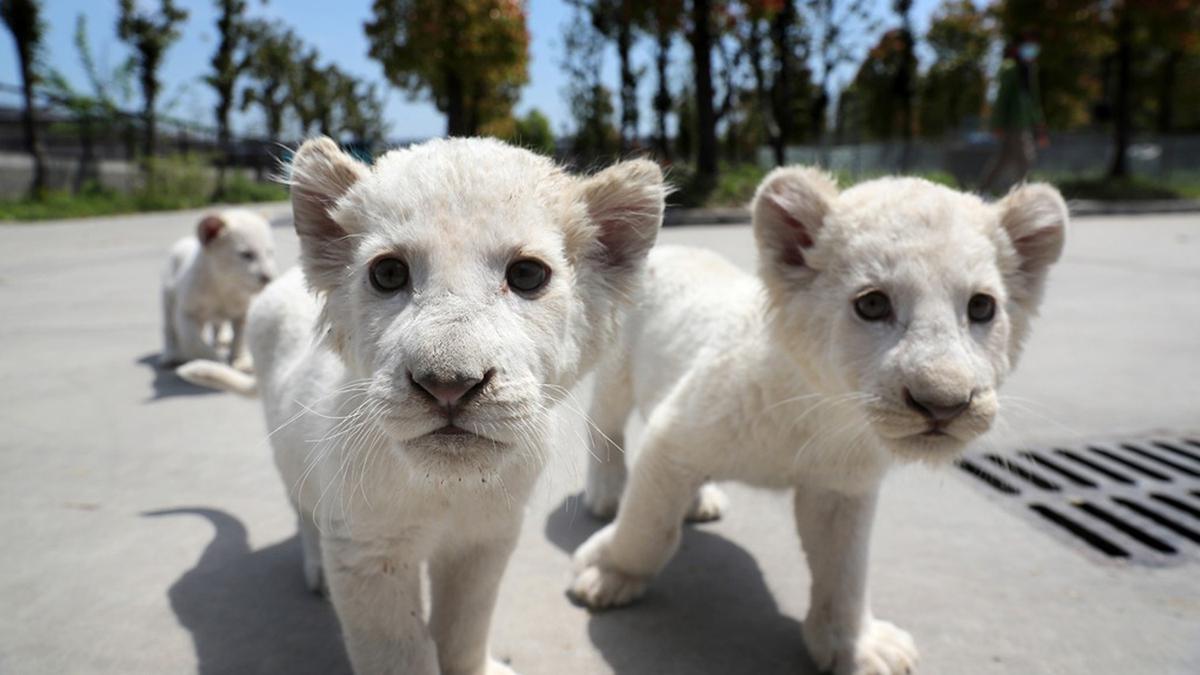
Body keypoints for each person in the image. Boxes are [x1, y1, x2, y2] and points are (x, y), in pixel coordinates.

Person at [980, 37, 1048, 194]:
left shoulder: (1029, 68)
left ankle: (982, 191)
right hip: (1013, 124)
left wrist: (1039, 126)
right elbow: (1002, 97)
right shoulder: (1009, 68)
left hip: (1023, 123)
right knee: (1025, 159)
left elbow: (1033, 100)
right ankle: (1020, 195)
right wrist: (997, 123)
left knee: (1003, 159)